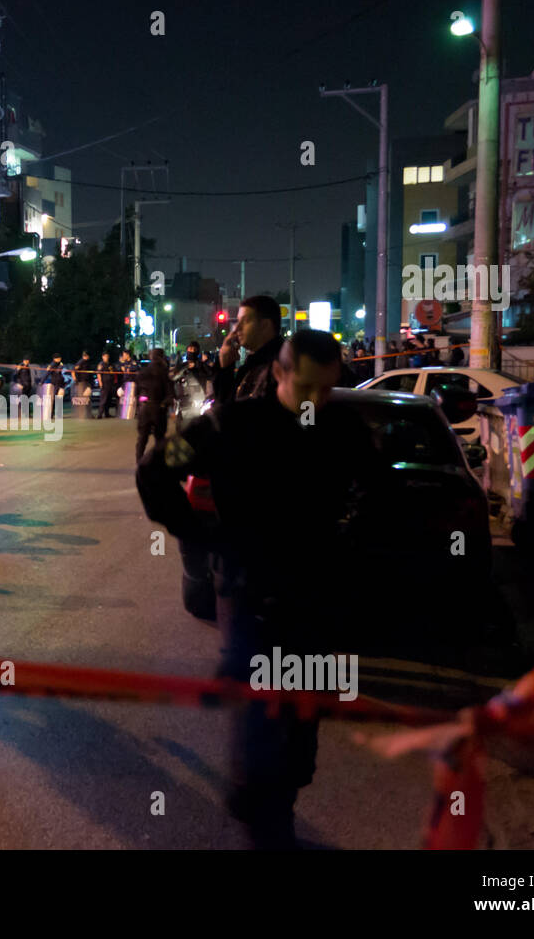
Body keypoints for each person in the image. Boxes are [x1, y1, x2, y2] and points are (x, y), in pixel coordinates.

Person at [137, 330, 383, 849]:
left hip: (314, 597)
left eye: (327, 388)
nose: (315, 400)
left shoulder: (344, 429)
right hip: (249, 592)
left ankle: (269, 798)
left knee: (301, 721)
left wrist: (352, 541)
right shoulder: (229, 425)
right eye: (306, 386)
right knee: (260, 713)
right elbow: (155, 470)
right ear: (280, 374)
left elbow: (379, 492)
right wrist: (201, 536)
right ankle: (265, 815)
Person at [214, 295, 283, 402]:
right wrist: (225, 367)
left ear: (265, 325)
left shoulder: (278, 369)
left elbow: (231, 413)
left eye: (245, 321)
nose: (237, 328)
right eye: (237, 321)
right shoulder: (254, 364)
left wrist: (225, 370)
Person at [135, 347, 173, 460]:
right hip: (158, 409)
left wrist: (140, 401)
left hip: (144, 408)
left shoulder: (143, 372)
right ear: (162, 357)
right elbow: (170, 393)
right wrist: (166, 405)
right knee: (160, 439)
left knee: (142, 437)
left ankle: (139, 461)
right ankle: (159, 463)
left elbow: (137, 391)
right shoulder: (164, 373)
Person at [96, 351, 119, 418]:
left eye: (107, 356)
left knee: (109, 399)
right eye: (105, 356)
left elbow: (114, 372)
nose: (107, 358)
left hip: (110, 384)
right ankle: (99, 414)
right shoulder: (101, 364)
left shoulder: (110, 364)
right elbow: (98, 373)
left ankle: (107, 413)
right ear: (103, 357)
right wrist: (100, 383)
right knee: (103, 399)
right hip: (104, 383)